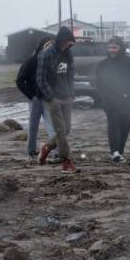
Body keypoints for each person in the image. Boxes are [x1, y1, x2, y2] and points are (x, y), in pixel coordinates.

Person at [93, 36, 130, 163]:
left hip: (126, 101)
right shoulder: (103, 65)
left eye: (115, 47)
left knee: (125, 126)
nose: (112, 50)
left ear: (121, 48)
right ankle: (114, 152)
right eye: (109, 47)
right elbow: (98, 83)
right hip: (110, 102)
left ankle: (119, 151)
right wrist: (103, 99)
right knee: (113, 125)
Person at [36, 26, 77, 172]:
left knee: (66, 130)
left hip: (66, 96)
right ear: (61, 40)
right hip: (52, 98)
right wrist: (50, 97)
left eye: (70, 44)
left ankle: (46, 147)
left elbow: (71, 75)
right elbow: (40, 79)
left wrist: (72, 93)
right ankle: (66, 161)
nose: (68, 46)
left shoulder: (68, 54)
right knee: (60, 130)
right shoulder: (46, 54)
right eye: (67, 43)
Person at [24, 40, 58, 163]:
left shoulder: (54, 62)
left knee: (52, 125)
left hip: (47, 97)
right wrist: (30, 95)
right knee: (33, 125)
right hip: (35, 98)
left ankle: (57, 152)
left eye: (52, 46)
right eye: (47, 46)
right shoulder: (31, 61)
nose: (49, 49)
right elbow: (19, 80)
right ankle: (31, 151)